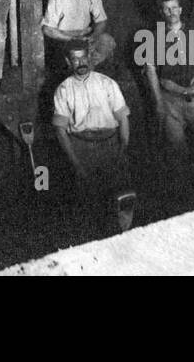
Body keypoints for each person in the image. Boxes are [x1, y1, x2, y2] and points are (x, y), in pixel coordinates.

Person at [141, 0, 194, 208]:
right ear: (161, 12)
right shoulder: (155, 37)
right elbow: (150, 70)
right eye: (166, 9)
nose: (171, 12)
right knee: (176, 150)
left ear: (181, 10)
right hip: (171, 101)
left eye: (174, 8)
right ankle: (185, 198)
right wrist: (158, 101)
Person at [52, 42, 134, 232]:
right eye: (75, 59)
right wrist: (76, 162)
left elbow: (123, 118)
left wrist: (123, 148)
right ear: (68, 61)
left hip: (110, 144)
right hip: (82, 147)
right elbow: (60, 131)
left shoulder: (107, 83)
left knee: (120, 197)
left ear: (90, 58)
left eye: (83, 57)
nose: (80, 62)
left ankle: (121, 236)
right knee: (88, 200)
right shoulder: (63, 90)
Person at [42, 0, 113, 72]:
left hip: (85, 35)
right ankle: (82, 73)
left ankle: (91, 71)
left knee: (107, 40)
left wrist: (93, 37)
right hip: (64, 38)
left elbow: (102, 21)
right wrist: (71, 38)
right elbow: (47, 29)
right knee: (79, 53)